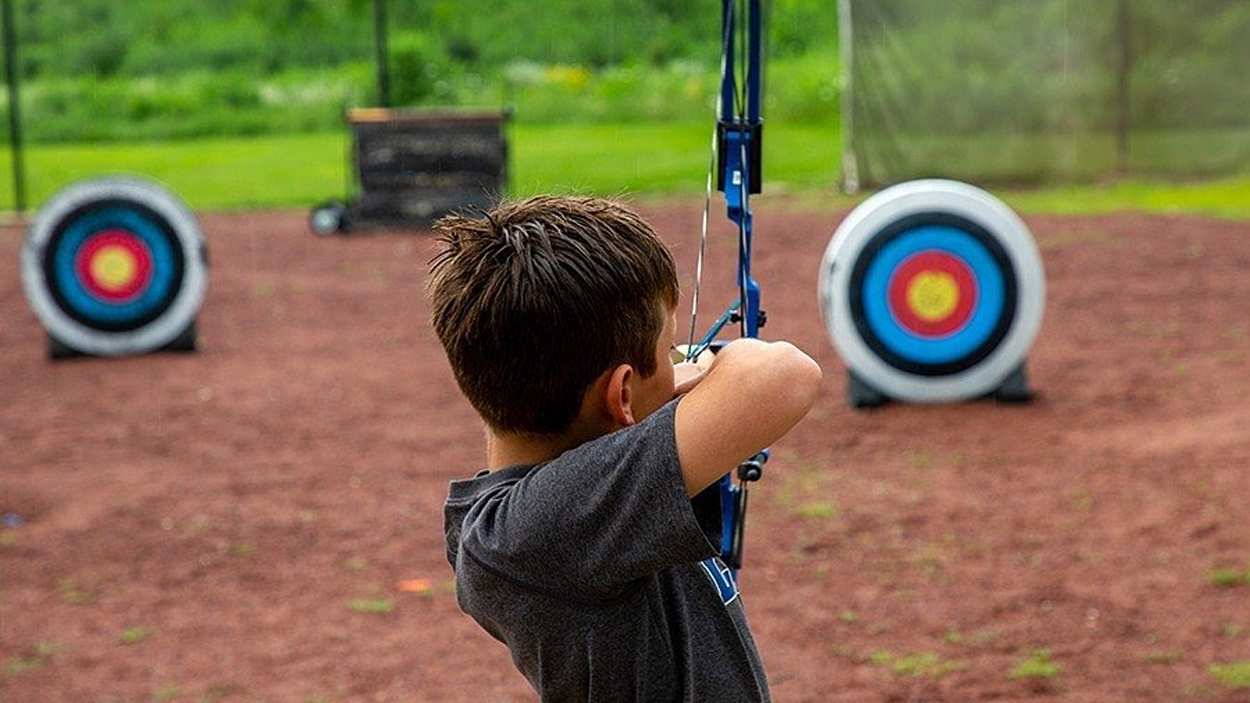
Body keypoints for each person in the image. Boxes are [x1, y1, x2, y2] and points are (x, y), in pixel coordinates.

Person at [429, 195, 822, 702]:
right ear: (621, 395)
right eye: (671, 352)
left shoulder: (548, 511)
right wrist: (704, 372)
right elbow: (785, 374)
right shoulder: (537, 531)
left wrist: (659, 385)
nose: (684, 362)